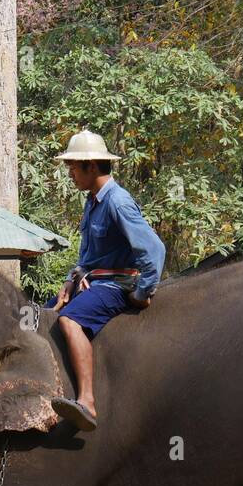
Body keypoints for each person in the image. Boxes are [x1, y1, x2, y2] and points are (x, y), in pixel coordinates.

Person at [46, 130, 166, 430]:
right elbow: (88, 258)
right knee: (44, 314)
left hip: (116, 287)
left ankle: (86, 401)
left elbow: (154, 249)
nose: (70, 173)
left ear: (93, 166)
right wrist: (71, 279)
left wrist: (141, 291)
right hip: (92, 283)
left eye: (73, 166)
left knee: (70, 321)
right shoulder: (92, 202)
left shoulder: (117, 202)